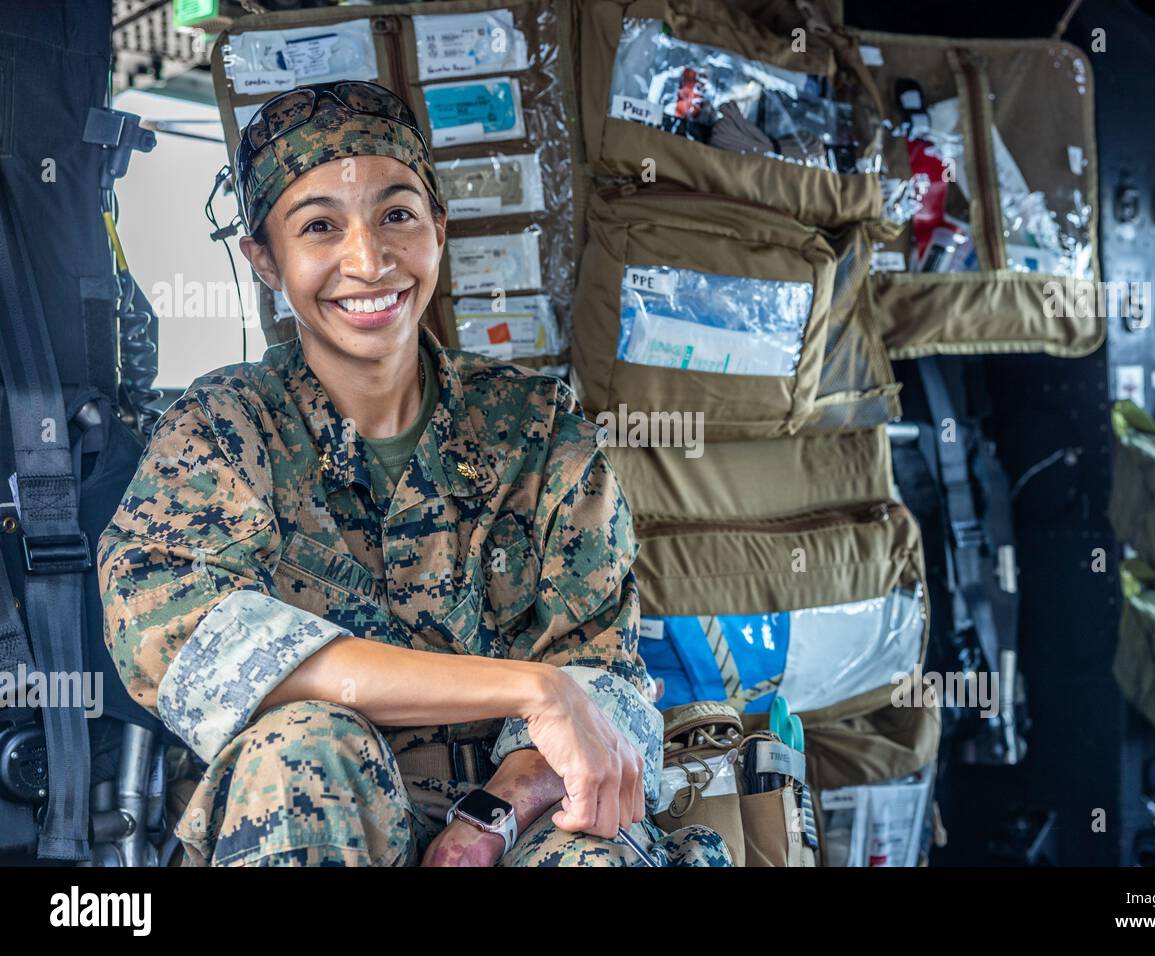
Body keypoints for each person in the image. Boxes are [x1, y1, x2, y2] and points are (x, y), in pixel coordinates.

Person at [96, 80, 730, 868]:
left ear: (438, 227)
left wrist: (493, 815)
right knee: (301, 748)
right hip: (310, 820)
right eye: (319, 226)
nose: (368, 262)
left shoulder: (538, 430)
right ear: (264, 259)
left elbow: (601, 678)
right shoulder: (223, 434)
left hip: (510, 809)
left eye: (397, 214)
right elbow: (184, 647)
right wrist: (532, 690)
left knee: (597, 851)